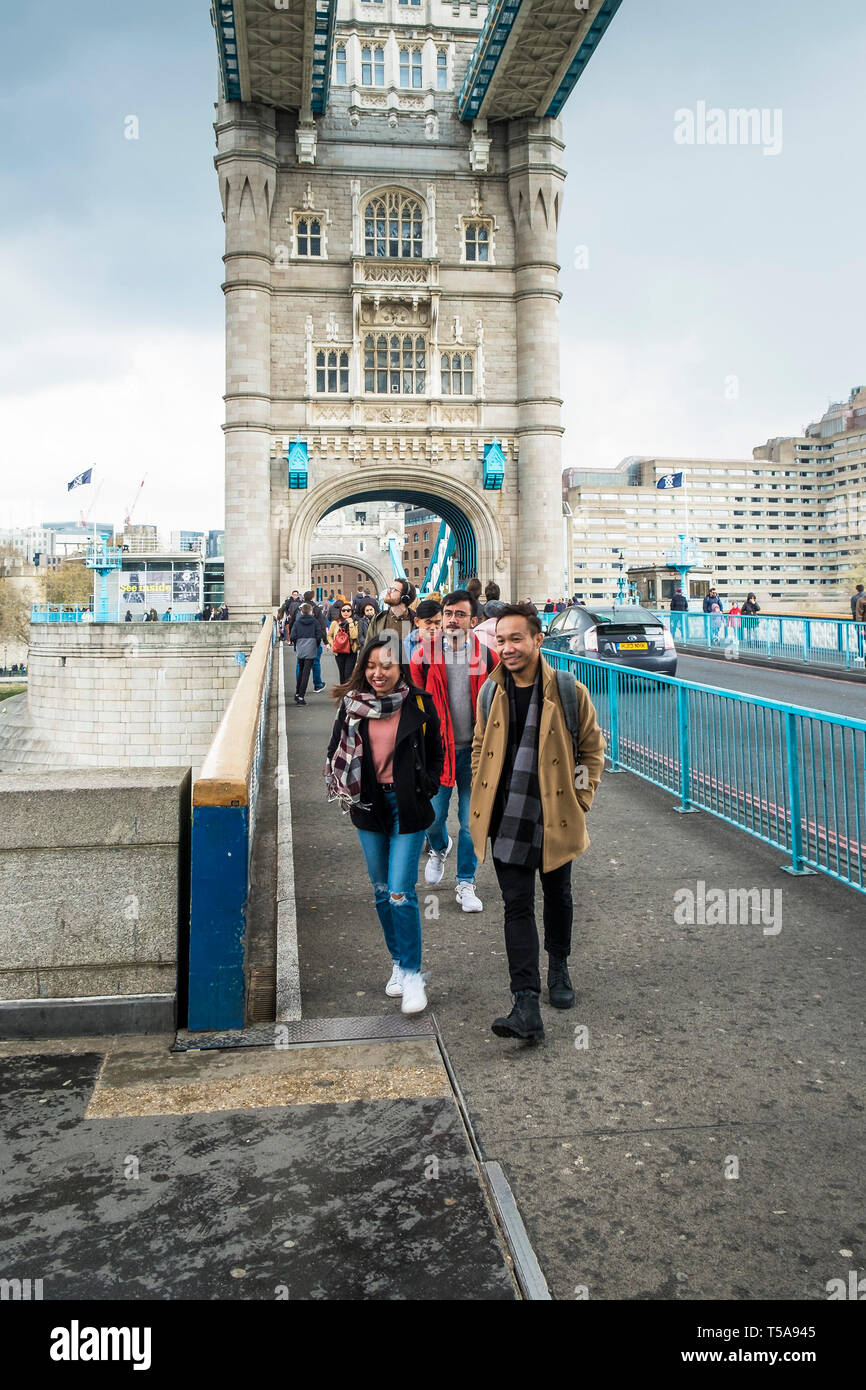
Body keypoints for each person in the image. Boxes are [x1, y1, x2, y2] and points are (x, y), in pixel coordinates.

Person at [470, 604, 606, 1041]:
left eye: (515, 639)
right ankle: (525, 1002)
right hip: (506, 817)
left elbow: (591, 750)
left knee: (558, 894)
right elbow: (478, 747)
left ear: (537, 640)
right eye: (500, 640)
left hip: (554, 814)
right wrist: (483, 789)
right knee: (516, 905)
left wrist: (580, 800)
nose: (506, 648)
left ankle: (559, 967)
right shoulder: (491, 693)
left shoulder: (568, 690)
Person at [325, 635, 443, 1013]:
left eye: (386, 666)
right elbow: (333, 750)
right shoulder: (351, 706)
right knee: (379, 890)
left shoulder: (419, 703)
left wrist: (426, 786)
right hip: (369, 806)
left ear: (400, 668)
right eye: (372, 666)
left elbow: (436, 752)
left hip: (408, 807)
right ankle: (397, 959)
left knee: (399, 893)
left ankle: (412, 974)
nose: (378, 673)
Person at [411, 589, 499, 913]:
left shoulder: (490, 657)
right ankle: (438, 848)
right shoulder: (423, 656)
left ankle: (466, 883)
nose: (452, 619)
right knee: (431, 819)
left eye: (460, 614)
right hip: (438, 753)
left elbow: (501, 705)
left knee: (469, 822)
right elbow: (414, 707)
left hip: (475, 754)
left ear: (474, 621)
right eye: (448, 613)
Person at [366, 578, 417, 656]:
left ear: (405, 598)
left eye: (394, 590)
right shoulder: (378, 619)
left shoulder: (416, 621)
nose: (388, 591)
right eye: (390, 588)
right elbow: (368, 648)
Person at [291, 591, 328, 691]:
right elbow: (322, 627)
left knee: (300, 663)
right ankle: (317, 684)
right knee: (315, 662)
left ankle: (299, 687)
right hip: (313, 641)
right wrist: (325, 641)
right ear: (312, 598)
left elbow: (292, 624)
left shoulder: (298, 609)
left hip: (300, 641)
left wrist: (293, 640)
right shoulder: (316, 609)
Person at [291, 603, 321, 705]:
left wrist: (298, 643)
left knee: (301, 671)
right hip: (311, 648)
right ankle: (301, 696)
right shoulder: (315, 622)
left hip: (301, 648)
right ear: (311, 612)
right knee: (306, 673)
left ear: (302, 612)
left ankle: (297, 693)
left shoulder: (297, 622)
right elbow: (318, 635)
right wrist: (315, 644)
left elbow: (292, 636)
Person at [327, 602, 359, 684]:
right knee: (342, 675)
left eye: (348, 610)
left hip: (351, 651)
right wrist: (332, 644)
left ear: (352, 612)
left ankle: (348, 694)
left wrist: (350, 623)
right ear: (340, 611)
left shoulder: (356, 623)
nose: (346, 612)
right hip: (339, 651)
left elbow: (354, 636)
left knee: (348, 675)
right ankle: (343, 694)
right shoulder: (335, 623)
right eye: (343, 610)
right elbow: (329, 635)